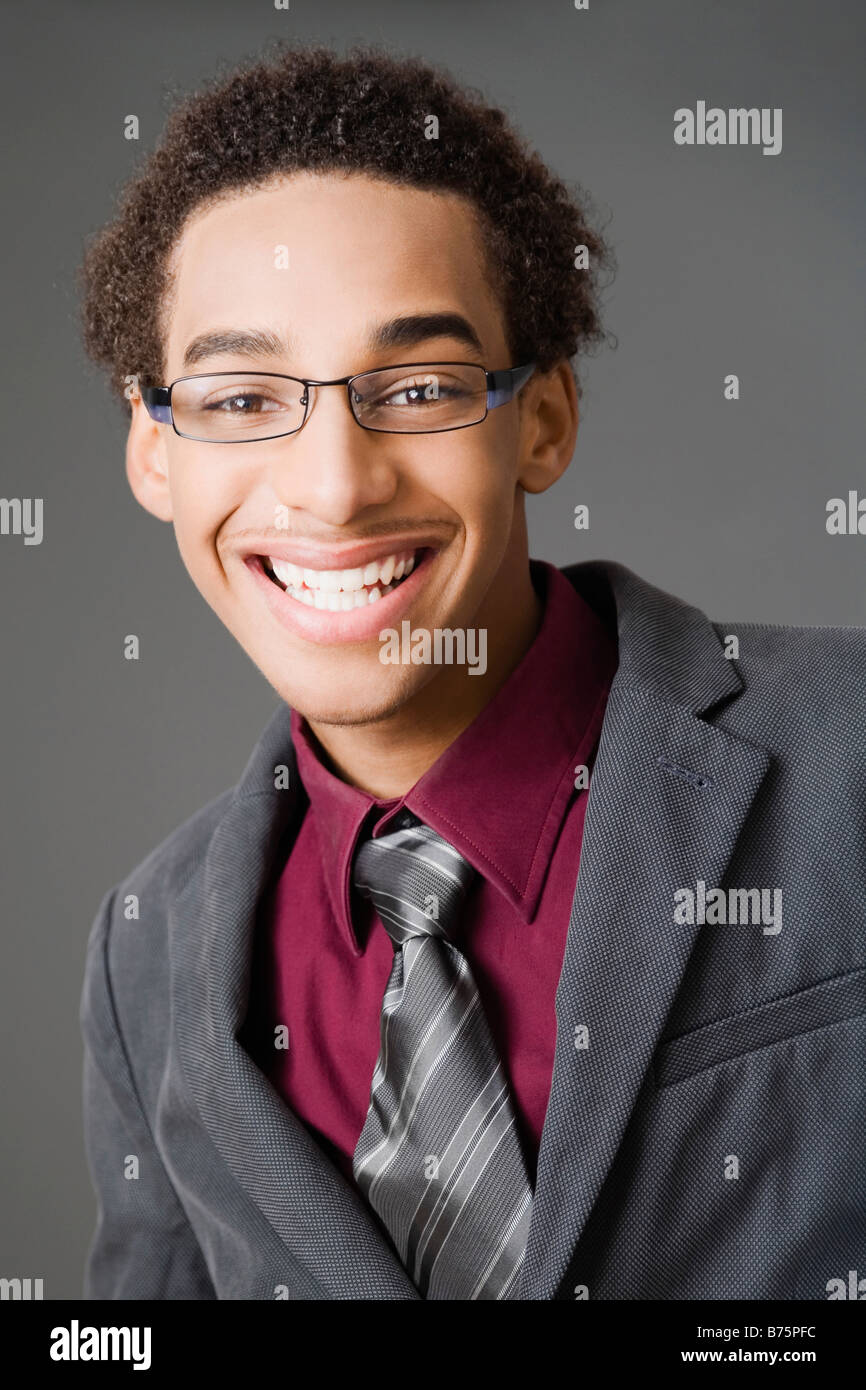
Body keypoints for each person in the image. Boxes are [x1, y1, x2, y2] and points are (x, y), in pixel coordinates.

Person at [77, 41, 866, 1301]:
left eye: (423, 385)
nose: (333, 486)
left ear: (540, 420)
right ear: (154, 450)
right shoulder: (145, 956)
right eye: (238, 401)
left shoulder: (848, 755)